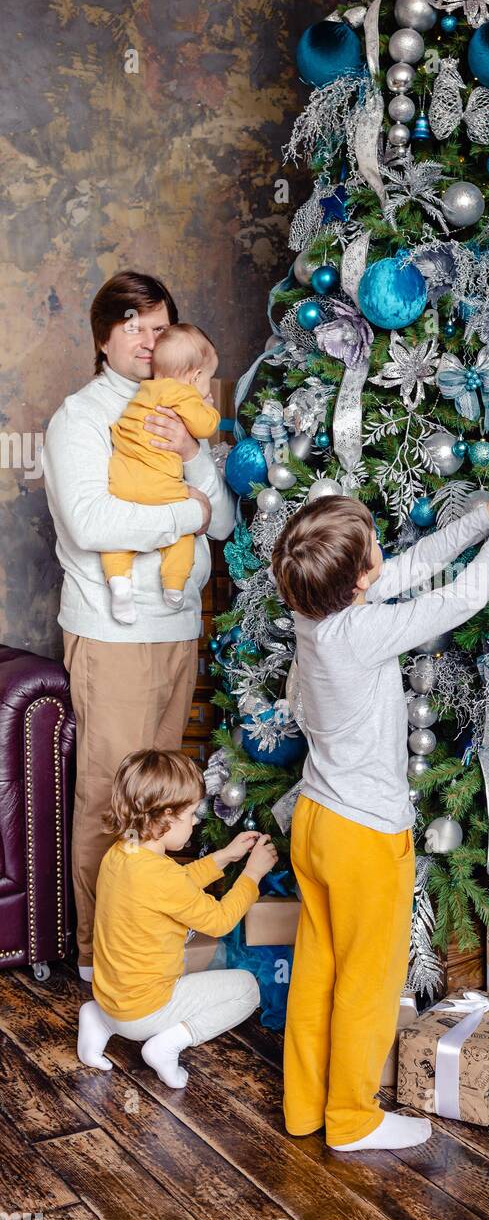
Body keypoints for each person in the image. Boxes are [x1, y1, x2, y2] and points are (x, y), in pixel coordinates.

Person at [271, 475, 489, 1151]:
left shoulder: (315, 614)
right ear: (359, 582)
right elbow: (463, 595)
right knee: (367, 983)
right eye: (373, 552)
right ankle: (352, 1121)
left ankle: (305, 1106)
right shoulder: (362, 631)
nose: (382, 560)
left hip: (315, 821)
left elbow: (409, 568)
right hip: (363, 835)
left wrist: (483, 516)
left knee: (317, 969)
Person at [42, 271, 236, 983]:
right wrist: (187, 513)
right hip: (113, 631)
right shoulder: (80, 419)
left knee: (164, 802)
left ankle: (147, 947)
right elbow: (95, 523)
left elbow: (229, 519)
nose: (149, 342)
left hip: (177, 626)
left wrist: (194, 461)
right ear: (103, 337)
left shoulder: (186, 414)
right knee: (110, 796)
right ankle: (100, 960)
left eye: (160, 328)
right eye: (133, 326)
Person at [76, 749, 277, 1088]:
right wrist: (252, 876)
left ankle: (99, 1020)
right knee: (247, 989)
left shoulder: (122, 851)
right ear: (166, 816)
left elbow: (174, 884)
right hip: (145, 1012)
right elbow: (221, 919)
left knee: (125, 1000)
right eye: (191, 814)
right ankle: (166, 1045)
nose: (196, 821)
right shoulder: (161, 876)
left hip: (111, 997)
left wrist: (225, 856)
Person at [101, 323, 221, 624]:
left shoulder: (144, 392)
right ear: (195, 377)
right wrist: (208, 408)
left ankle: (118, 580)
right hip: (159, 486)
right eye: (208, 378)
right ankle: (173, 585)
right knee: (181, 532)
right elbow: (207, 426)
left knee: (117, 542)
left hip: (123, 479)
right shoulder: (183, 395)